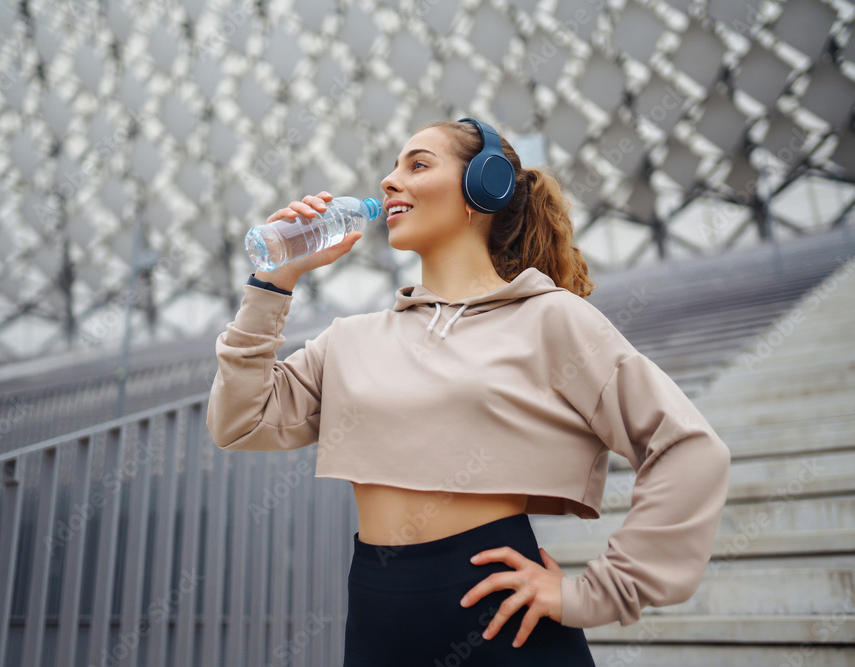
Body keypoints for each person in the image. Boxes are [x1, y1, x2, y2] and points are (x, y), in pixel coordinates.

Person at [206, 118, 732, 665]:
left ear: (484, 188)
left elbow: (688, 448)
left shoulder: (551, 319)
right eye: (392, 166)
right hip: (374, 623)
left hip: (501, 620)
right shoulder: (350, 338)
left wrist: (598, 591)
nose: (389, 181)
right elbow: (239, 422)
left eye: (418, 164)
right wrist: (276, 282)